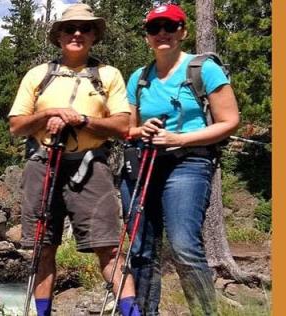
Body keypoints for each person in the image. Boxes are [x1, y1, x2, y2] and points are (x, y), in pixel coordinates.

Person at [7, 4, 139, 315]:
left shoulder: (108, 75)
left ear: (94, 35)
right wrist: (51, 113)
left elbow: (123, 127)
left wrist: (80, 120)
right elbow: (16, 126)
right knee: (42, 249)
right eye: (70, 28)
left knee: (109, 248)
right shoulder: (38, 75)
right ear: (58, 36)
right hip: (43, 162)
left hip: (91, 165)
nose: (77, 33)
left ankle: (133, 312)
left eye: (85, 28)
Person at [121, 4, 239, 315]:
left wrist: (180, 138)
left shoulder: (204, 69)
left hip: (189, 163)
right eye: (154, 28)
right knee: (141, 249)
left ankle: (204, 312)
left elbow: (229, 121)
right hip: (145, 163)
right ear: (147, 36)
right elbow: (127, 128)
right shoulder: (140, 77)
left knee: (185, 247)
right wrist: (139, 130)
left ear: (182, 31)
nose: (162, 33)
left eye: (169, 26)